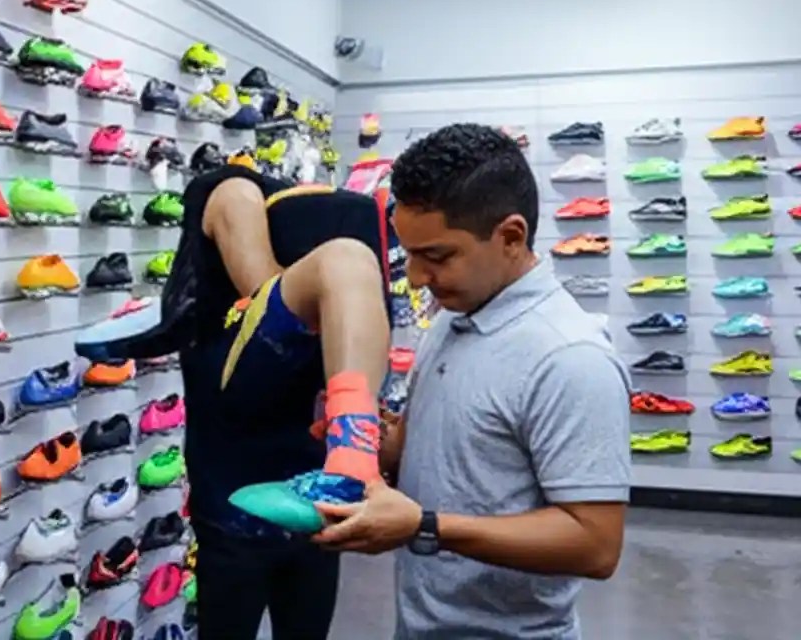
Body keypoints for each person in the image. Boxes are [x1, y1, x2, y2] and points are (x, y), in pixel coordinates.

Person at [312, 123, 631, 639]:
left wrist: (424, 526)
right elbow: (464, 457)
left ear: (510, 237)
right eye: (409, 253)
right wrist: (379, 444)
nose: (414, 277)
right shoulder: (453, 319)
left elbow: (595, 545)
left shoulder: (570, 359)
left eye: (436, 257)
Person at [74, 162, 396, 640]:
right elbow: (261, 287)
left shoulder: (285, 213)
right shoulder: (233, 190)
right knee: (346, 261)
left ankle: (350, 460)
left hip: (307, 499)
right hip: (240, 493)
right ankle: (351, 460)